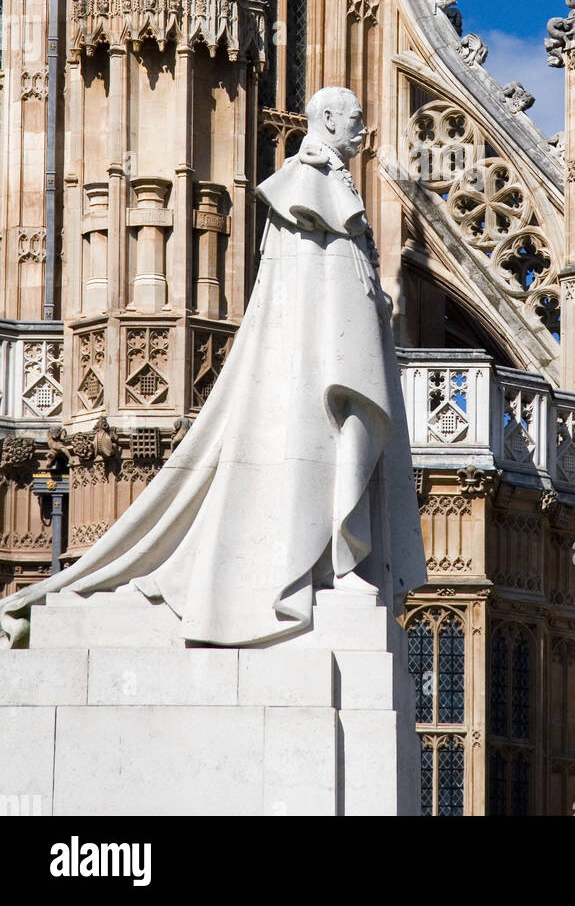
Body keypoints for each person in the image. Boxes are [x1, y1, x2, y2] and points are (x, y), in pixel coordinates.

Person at [0, 87, 425, 648]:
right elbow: (306, 297)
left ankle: (331, 564)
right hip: (308, 377)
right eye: (354, 120)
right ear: (324, 119)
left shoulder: (335, 185)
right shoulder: (303, 186)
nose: (363, 133)